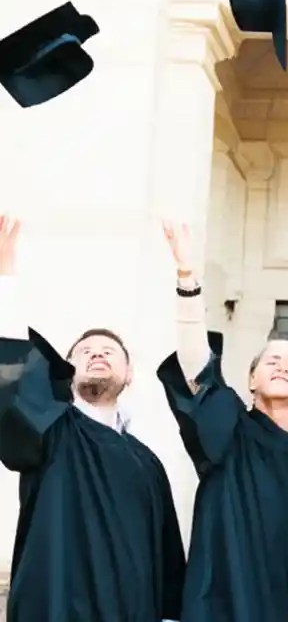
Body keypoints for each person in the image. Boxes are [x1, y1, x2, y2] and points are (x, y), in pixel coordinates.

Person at [154, 221, 288, 622]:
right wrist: (187, 282)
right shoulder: (228, 430)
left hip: (286, 604)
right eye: (271, 360)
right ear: (251, 380)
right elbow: (197, 366)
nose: (281, 365)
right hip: (218, 598)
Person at [0, 215, 185, 622]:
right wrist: (6, 277)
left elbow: (166, 556)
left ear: (130, 373)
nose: (97, 353)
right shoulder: (51, 431)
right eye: (84, 351)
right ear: (65, 373)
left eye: (109, 351)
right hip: (55, 605)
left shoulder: (148, 463)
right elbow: (14, 369)